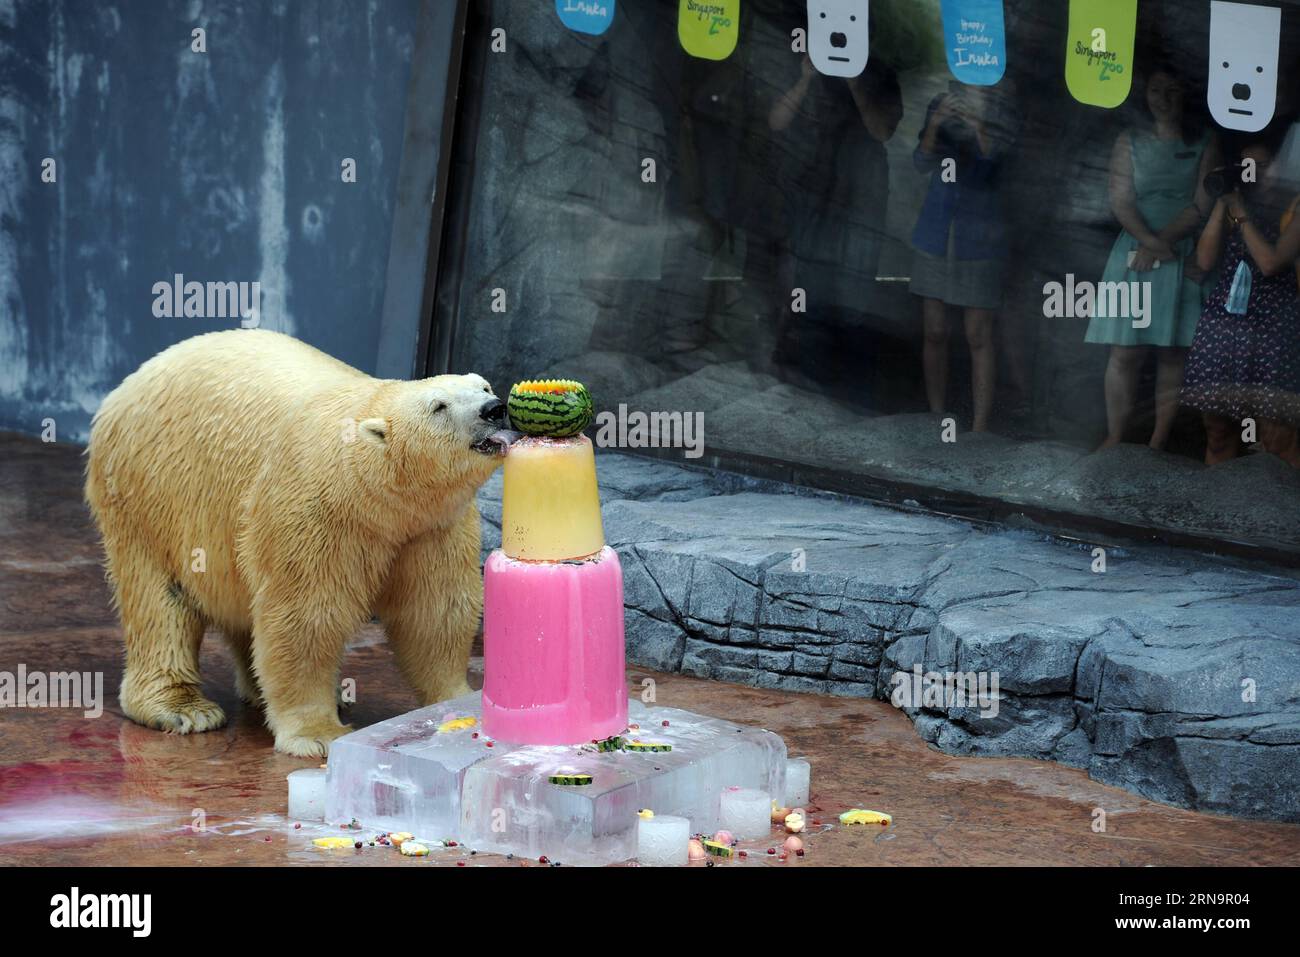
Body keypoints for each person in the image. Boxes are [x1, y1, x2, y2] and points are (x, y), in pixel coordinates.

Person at [1085, 67, 1218, 450]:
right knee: (1124, 352)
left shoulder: (1205, 141)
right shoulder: (1129, 140)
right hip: (1136, 252)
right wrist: (1149, 243)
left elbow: (1202, 202)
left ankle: (1157, 441)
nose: (1163, 98)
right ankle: (1115, 435)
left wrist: (1162, 243)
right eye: (1156, 89)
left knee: (1173, 353)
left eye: (1172, 90)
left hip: (1181, 250)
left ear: (1185, 95)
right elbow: (1120, 201)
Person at [1181, 140, 1300, 467]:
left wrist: (1240, 212)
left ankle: (1282, 512)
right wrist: (1224, 201)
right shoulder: (1235, 203)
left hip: (1273, 326)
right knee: (1218, 429)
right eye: (1247, 167)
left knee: (1277, 436)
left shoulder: (1294, 205)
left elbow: (1271, 263)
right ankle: (1213, 508)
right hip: (1225, 323)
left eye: (1262, 166)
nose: (1254, 174)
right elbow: (1204, 261)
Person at [910, 80, 1017, 433]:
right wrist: (939, 120)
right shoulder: (943, 100)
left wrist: (978, 123)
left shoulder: (1001, 106)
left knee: (978, 334)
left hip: (980, 237)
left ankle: (980, 427)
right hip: (936, 231)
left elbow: (995, 171)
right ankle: (936, 415)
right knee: (935, 330)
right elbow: (921, 161)